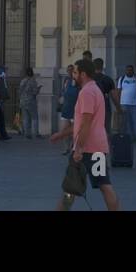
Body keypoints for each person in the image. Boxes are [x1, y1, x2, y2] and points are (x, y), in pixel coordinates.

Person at [50, 59, 120, 211]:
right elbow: (81, 123)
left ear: (83, 74)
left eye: (75, 72)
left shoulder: (87, 92)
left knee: (71, 187)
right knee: (104, 185)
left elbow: (86, 123)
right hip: (97, 147)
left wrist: (79, 149)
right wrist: (61, 135)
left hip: (87, 148)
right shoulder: (95, 90)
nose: (73, 76)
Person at [115, 64, 136, 143]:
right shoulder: (121, 79)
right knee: (126, 122)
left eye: (131, 70)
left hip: (135, 104)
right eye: (128, 70)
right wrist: (118, 104)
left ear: (133, 71)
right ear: (125, 71)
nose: (129, 71)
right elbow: (118, 91)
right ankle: (129, 138)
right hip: (124, 103)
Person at [57, 64, 80, 156]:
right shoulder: (66, 80)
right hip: (66, 109)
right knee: (64, 130)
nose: (70, 72)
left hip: (75, 109)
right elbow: (62, 92)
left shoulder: (78, 81)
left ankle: (74, 147)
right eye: (68, 70)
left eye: (72, 70)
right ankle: (66, 148)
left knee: (75, 131)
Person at [92, 59, 118, 136]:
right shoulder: (108, 79)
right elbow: (114, 96)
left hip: (91, 108)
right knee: (105, 129)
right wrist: (118, 108)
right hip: (104, 108)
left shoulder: (88, 79)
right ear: (102, 66)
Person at [18, 67, 42, 139]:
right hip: (31, 101)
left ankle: (27, 133)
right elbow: (35, 92)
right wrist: (39, 88)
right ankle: (36, 133)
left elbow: (20, 91)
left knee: (25, 118)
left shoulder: (22, 81)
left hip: (23, 101)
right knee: (34, 118)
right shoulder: (33, 81)